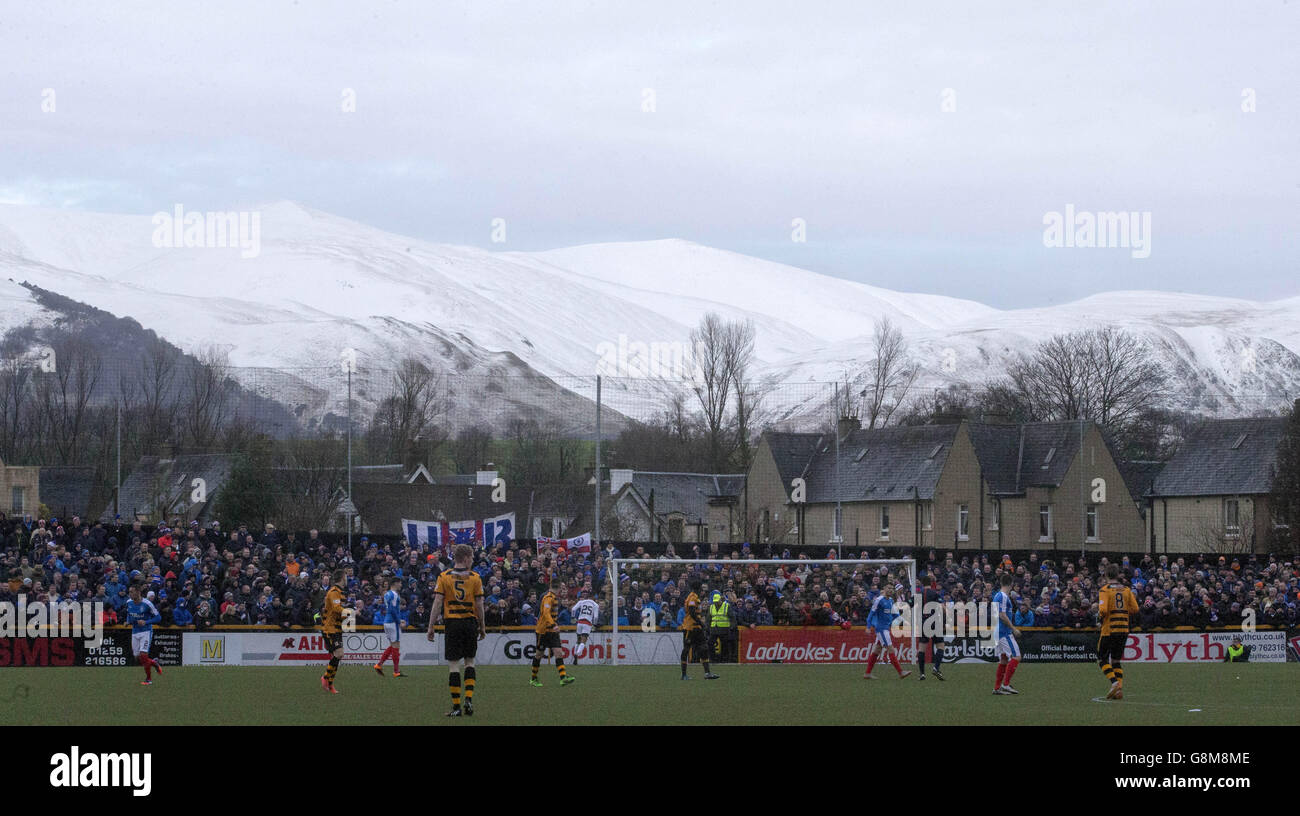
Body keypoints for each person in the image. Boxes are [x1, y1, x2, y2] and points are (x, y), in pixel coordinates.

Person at [429, 544, 486, 717]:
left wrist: (431, 626)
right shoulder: (475, 577)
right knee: (470, 661)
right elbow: (479, 605)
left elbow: (437, 603)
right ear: (466, 558)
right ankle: (468, 698)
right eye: (473, 557)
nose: (474, 560)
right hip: (469, 623)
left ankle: (456, 706)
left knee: (454, 665)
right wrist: (482, 626)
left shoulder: (443, 576)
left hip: (452, 623)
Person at [1097, 564, 1138, 699]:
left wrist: (1099, 618)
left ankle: (1114, 682)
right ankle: (1119, 690)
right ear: (1118, 575)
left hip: (1109, 629)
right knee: (1116, 660)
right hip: (1123, 628)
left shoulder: (1105, 590)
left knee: (1102, 659)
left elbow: (1103, 610)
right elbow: (1135, 609)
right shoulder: (1126, 589)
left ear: (1107, 575)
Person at [530, 580, 575, 687]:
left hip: (552, 631)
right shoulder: (548, 598)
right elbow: (545, 613)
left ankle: (563, 678)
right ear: (558, 587)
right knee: (539, 654)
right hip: (543, 631)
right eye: (562, 587)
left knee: (558, 652)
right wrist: (553, 624)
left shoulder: (554, 597)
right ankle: (533, 678)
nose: (563, 589)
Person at [863, 583, 910, 680]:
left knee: (877, 650)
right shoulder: (879, 600)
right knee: (891, 649)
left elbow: (895, 614)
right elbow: (871, 614)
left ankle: (867, 673)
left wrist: (903, 621)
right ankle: (901, 672)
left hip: (886, 628)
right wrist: (868, 626)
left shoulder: (891, 600)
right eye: (888, 588)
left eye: (892, 588)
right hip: (881, 629)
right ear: (884, 588)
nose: (890, 590)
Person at [125, 583, 162, 685]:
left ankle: (148, 679)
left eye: (132, 592)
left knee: (143, 655)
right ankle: (154, 663)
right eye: (129, 592)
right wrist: (127, 621)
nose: (130, 594)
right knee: (137, 657)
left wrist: (146, 622)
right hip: (135, 632)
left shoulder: (147, 603)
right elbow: (129, 615)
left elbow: (158, 618)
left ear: (138, 592)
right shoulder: (129, 602)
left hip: (146, 631)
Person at [318, 569, 348, 694]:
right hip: (330, 629)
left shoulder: (340, 592)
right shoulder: (334, 592)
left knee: (338, 655)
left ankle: (330, 684)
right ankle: (326, 678)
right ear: (342, 578)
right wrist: (350, 612)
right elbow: (336, 609)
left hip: (336, 628)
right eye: (345, 577)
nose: (347, 579)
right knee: (339, 654)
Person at [680, 579, 717, 680]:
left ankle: (707, 673)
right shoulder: (692, 597)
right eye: (701, 586)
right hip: (690, 627)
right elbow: (692, 612)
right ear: (698, 587)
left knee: (704, 648)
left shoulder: (696, 597)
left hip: (697, 627)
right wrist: (702, 623)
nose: (702, 588)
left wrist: (700, 624)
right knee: (686, 649)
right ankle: (683, 675)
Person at [992, 573, 1021, 695]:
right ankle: (1006, 685)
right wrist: (1013, 628)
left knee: (1003, 660)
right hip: (1004, 632)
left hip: (997, 631)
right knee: (1016, 657)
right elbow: (1002, 615)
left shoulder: (997, 595)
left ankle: (997, 688)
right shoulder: (1003, 596)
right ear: (1011, 584)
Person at [916, 570, 945, 681]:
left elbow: (908, 605)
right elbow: (943, 608)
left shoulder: (918, 594)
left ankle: (922, 674)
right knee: (940, 646)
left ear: (922, 584)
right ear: (931, 583)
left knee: (922, 648)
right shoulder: (935, 594)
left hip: (923, 622)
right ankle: (936, 668)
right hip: (934, 622)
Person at [374, 576, 405, 677]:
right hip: (392, 622)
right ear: (395, 583)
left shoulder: (387, 594)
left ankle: (379, 665)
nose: (401, 585)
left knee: (393, 645)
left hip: (387, 621)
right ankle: (396, 671)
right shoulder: (394, 594)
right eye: (400, 583)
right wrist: (398, 621)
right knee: (396, 646)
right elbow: (392, 609)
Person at [570, 589, 600, 665]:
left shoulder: (581, 602)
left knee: (578, 640)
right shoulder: (595, 605)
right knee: (583, 641)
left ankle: (575, 654)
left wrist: (573, 617)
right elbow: (596, 617)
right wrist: (594, 625)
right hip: (587, 623)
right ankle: (577, 654)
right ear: (593, 597)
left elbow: (573, 609)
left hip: (579, 622)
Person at [707, 590, 738, 664]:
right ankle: (713, 659)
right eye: (714, 601)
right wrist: (707, 627)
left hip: (724, 629)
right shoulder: (711, 607)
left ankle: (724, 660)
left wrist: (732, 627)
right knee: (710, 643)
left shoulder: (726, 606)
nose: (716, 603)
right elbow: (709, 618)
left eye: (717, 601)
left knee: (725, 645)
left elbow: (732, 617)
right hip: (714, 629)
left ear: (720, 600)